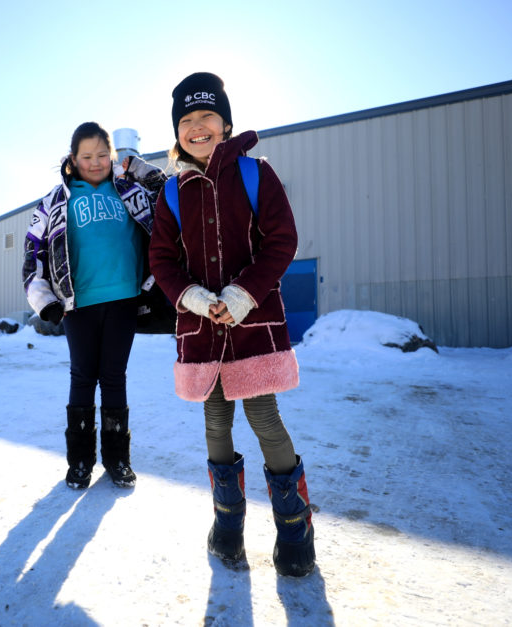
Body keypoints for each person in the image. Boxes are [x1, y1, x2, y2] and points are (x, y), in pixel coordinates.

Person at [148, 73, 315, 576]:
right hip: (202, 331)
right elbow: (161, 260)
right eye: (186, 119)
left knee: (265, 420)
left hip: (252, 324)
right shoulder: (172, 192)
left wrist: (242, 295)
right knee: (216, 422)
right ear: (177, 132)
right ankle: (227, 523)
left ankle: (295, 528)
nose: (197, 126)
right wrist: (193, 298)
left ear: (225, 123)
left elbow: (281, 240)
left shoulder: (255, 173)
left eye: (207, 115)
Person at [23, 121, 164, 489]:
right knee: (83, 377)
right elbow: (33, 251)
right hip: (78, 304)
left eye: (103, 155)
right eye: (87, 156)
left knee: (114, 377)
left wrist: (137, 168)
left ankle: (118, 459)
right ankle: (80, 461)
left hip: (124, 299)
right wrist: (44, 300)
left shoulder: (129, 190)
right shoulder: (57, 200)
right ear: (73, 159)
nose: (96, 162)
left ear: (113, 156)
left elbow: (167, 194)